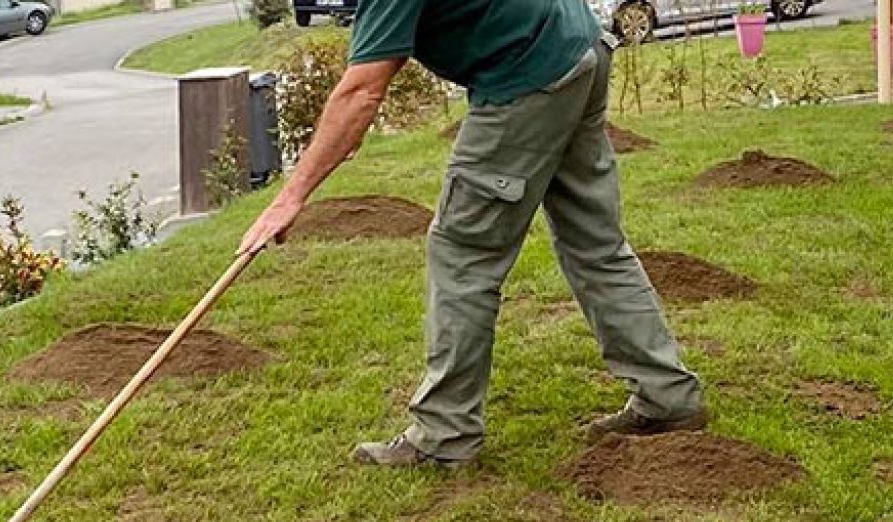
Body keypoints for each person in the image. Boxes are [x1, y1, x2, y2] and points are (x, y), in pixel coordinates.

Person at [239, 0, 707, 468]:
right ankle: (667, 397)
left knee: (463, 254)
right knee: (597, 245)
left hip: (530, 78)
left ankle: (444, 435)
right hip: (579, 45)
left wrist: (290, 197)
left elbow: (362, 91)